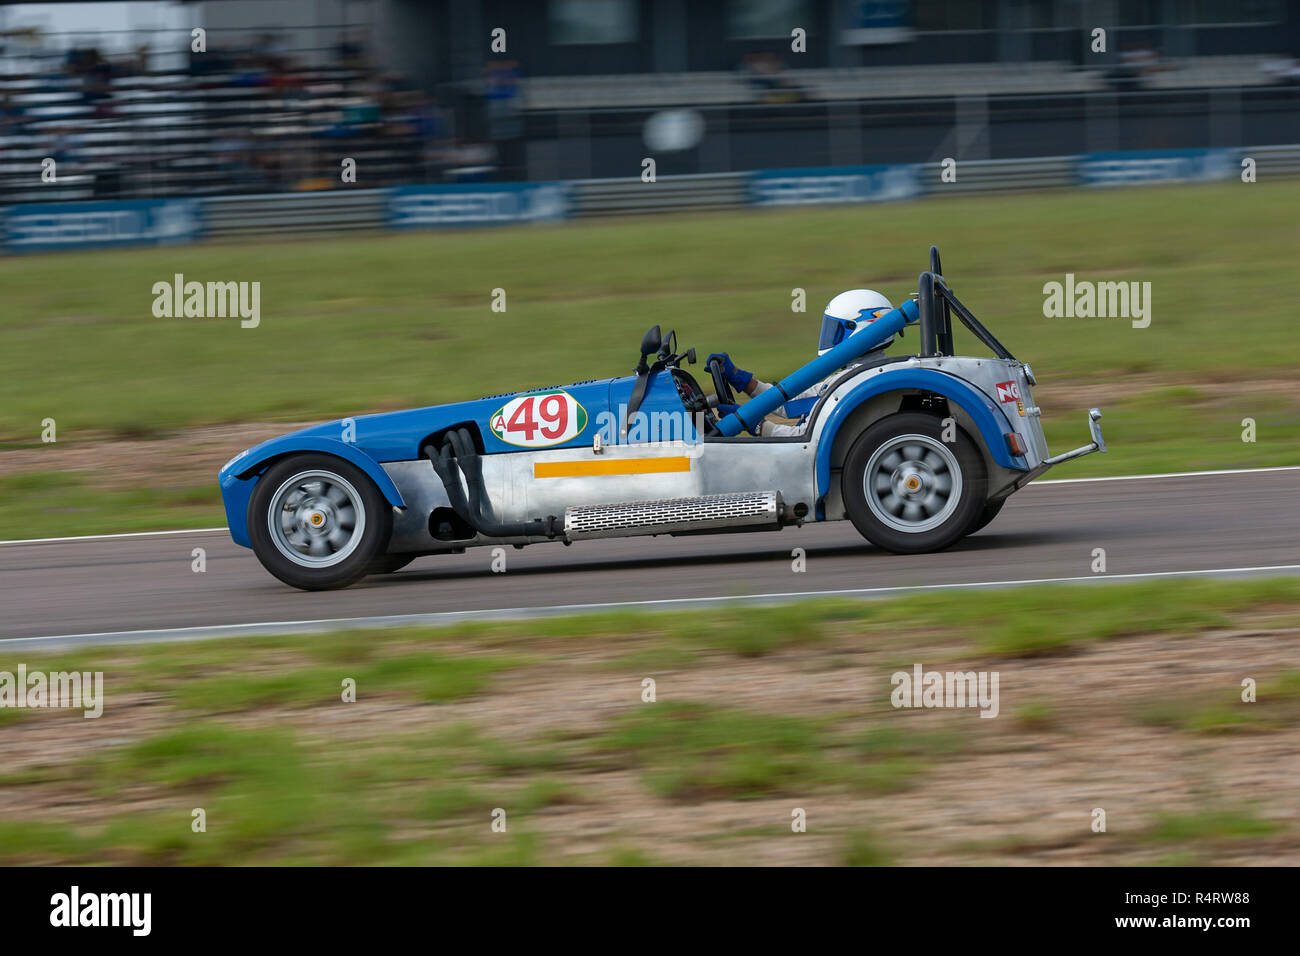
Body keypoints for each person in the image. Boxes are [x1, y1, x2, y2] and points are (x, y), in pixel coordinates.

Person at [708, 289, 896, 437]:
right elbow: (790, 404)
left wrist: (755, 425)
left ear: (860, 330)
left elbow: (803, 437)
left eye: (835, 328)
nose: (829, 335)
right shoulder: (859, 373)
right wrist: (740, 378)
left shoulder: (856, 382)